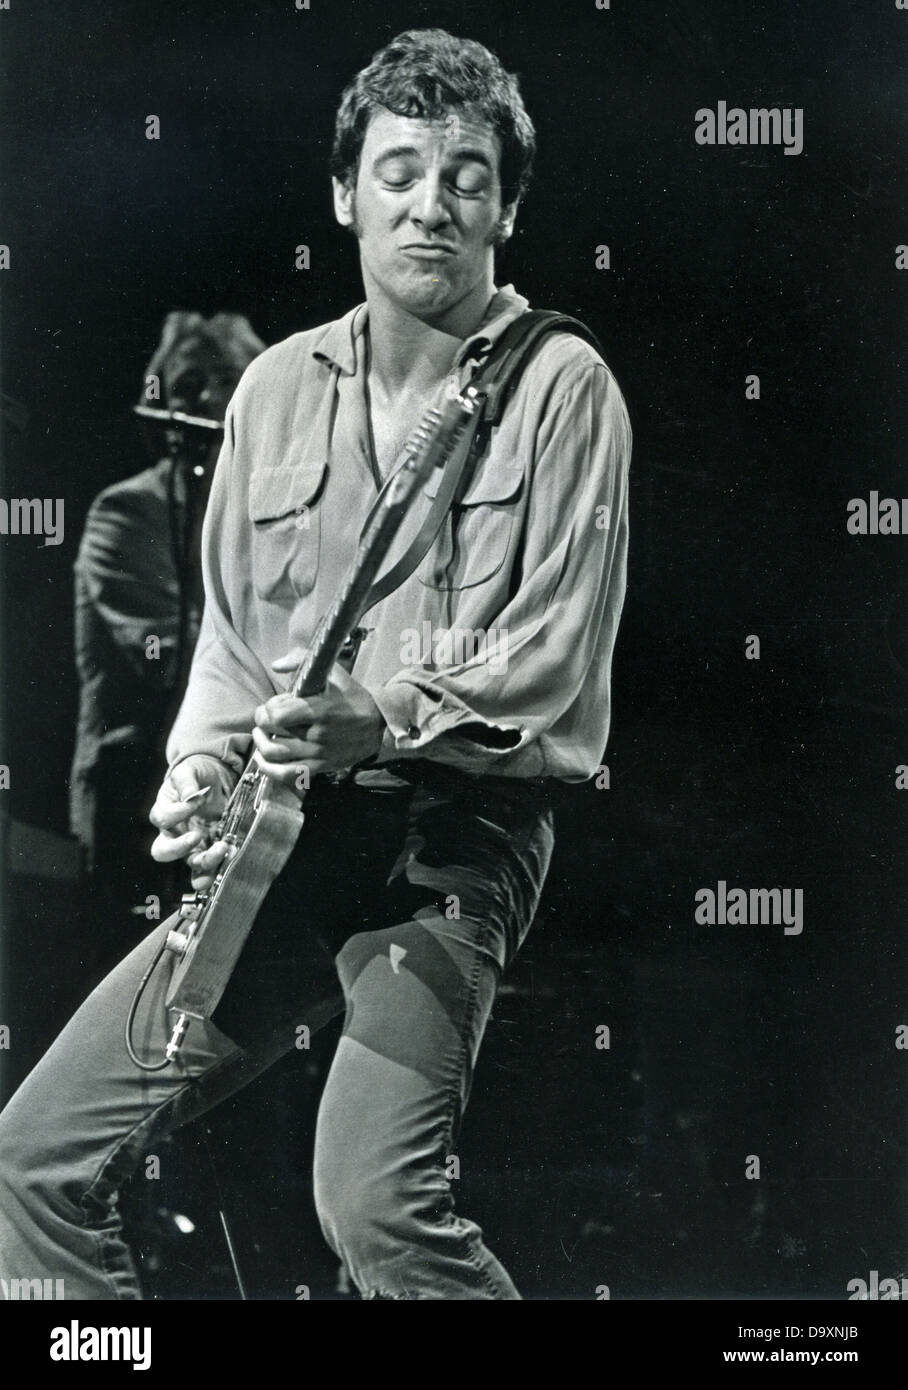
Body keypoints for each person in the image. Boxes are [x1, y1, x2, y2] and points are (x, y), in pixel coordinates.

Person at [0, 28, 631, 1300]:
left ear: (505, 204)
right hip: (282, 839)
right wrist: (194, 762)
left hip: (454, 838)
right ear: (344, 194)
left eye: (465, 175)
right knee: (32, 1160)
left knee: (374, 1209)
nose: (430, 203)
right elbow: (234, 635)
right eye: (398, 170)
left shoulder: (565, 386)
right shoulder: (274, 388)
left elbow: (553, 658)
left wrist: (381, 720)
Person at [69, 312, 265, 932]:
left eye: (236, 386)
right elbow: (172, 654)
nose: (212, 401)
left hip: (223, 788)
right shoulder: (126, 512)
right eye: (191, 389)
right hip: (133, 795)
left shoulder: (253, 517)